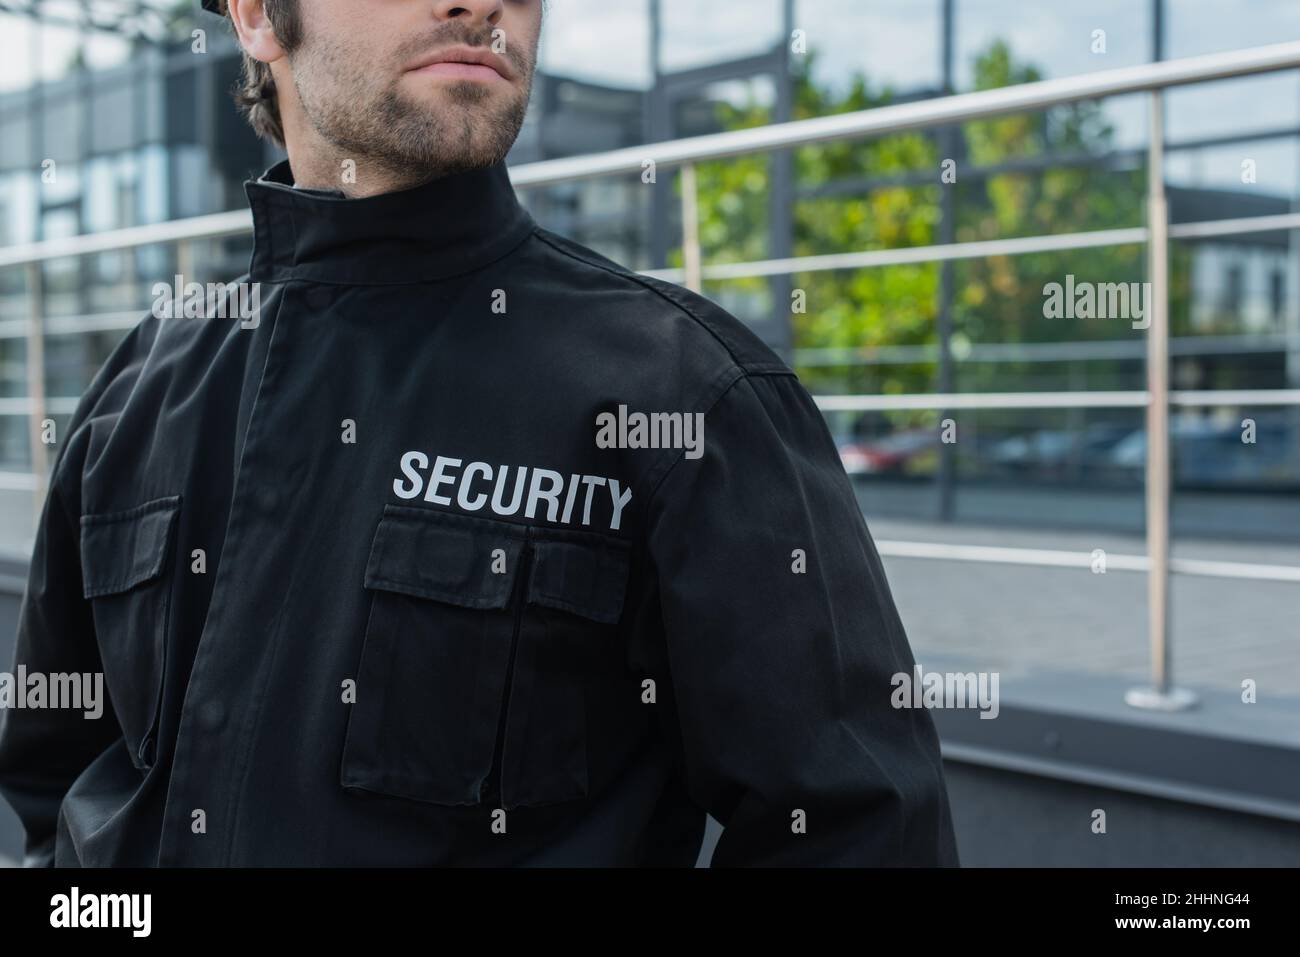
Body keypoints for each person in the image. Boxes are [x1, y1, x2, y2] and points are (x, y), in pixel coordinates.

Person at [0, 0, 959, 866]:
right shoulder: (138, 387)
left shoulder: (686, 395)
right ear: (257, 15)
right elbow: (57, 791)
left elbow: (861, 836)